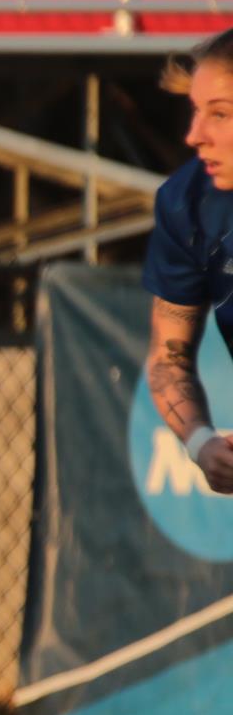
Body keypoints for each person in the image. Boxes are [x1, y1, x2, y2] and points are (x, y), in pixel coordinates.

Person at [144, 26, 233, 496]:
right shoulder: (188, 202)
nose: (194, 135)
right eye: (196, 111)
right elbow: (167, 358)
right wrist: (201, 443)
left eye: (219, 114)